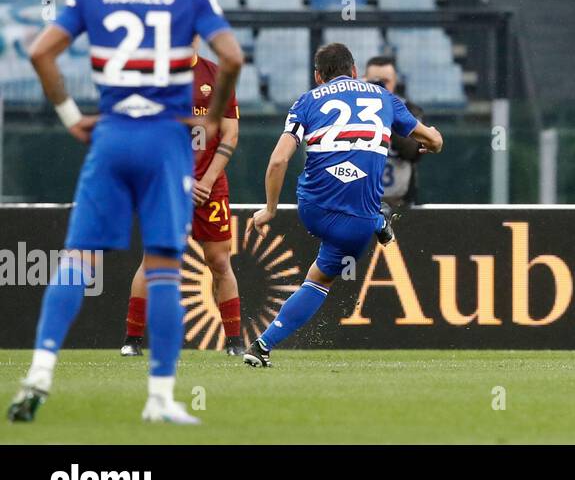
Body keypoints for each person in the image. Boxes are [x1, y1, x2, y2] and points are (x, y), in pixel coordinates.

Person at [9, 0, 243, 425]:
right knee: (164, 265)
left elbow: (42, 52)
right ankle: (159, 398)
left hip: (112, 134)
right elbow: (231, 57)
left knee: (78, 257)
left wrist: (72, 117)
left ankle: (41, 372)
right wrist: (208, 111)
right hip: (165, 143)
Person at [242, 43, 443, 367]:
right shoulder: (386, 99)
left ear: (319, 77)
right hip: (357, 223)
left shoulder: (306, 101)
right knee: (320, 281)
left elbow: (278, 161)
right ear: (354, 71)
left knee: (318, 269)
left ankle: (262, 346)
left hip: (312, 209)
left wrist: (270, 209)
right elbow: (433, 141)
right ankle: (378, 221)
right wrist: (433, 141)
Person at [120, 35, 243, 358]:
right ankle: (132, 340)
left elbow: (230, 133)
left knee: (218, 261)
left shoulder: (218, 75)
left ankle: (234, 342)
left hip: (210, 185)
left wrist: (207, 179)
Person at [364, 55, 426, 210]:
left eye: (385, 82)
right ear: (364, 80)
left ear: (395, 81)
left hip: (400, 203)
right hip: (362, 203)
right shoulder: (352, 111)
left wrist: (386, 116)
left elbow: (413, 151)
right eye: (375, 81)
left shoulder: (409, 111)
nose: (380, 86)